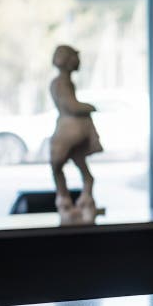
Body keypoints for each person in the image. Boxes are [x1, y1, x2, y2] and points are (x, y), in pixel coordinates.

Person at [49, 45, 102, 218]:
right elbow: (71, 105)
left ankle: (72, 197)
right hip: (68, 129)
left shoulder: (65, 82)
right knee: (58, 164)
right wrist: (90, 107)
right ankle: (65, 197)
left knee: (62, 164)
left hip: (71, 128)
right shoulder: (60, 83)